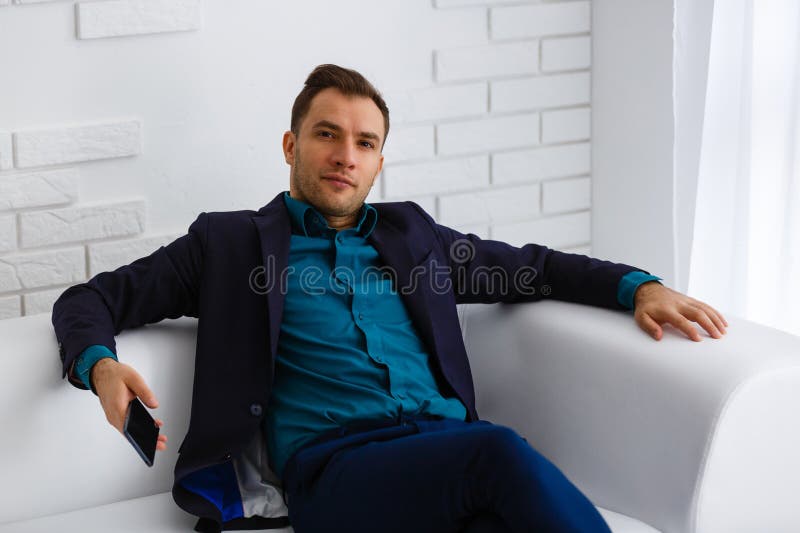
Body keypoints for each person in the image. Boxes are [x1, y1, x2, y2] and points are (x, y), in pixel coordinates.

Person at [53, 64, 728, 533]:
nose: (346, 154)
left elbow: (534, 269)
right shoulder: (229, 245)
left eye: (364, 142)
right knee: (497, 454)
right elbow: (92, 298)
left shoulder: (417, 238)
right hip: (336, 470)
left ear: (379, 161)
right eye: (326, 134)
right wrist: (101, 367)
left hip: (441, 453)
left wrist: (639, 286)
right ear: (291, 145)